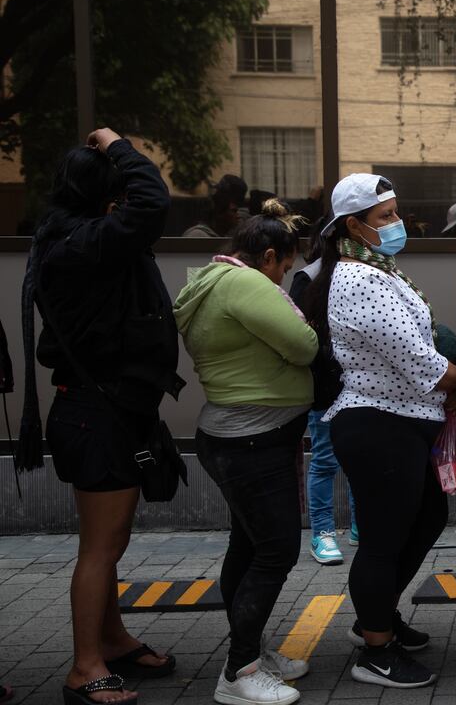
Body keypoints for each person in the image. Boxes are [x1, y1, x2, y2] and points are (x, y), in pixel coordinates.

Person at [19, 128, 182, 705]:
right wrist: (118, 143)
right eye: (115, 193)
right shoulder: (82, 245)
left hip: (107, 408)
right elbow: (153, 205)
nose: (123, 204)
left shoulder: (74, 239)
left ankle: (111, 639)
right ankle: (84, 667)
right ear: (100, 197)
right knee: (100, 547)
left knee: (110, 541)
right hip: (96, 412)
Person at [307, 174, 456, 688]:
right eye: (386, 217)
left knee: (425, 517)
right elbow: (414, 356)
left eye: (397, 213)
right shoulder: (356, 279)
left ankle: (377, 615)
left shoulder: (379, 268)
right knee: (382, 539)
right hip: (379, 421)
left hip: (404, 420)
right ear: (353, 225)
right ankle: (374, 649)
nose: (398, 224)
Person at [174, 199, 317, 704]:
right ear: (271, 255)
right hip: (250, 440)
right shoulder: (245, 283)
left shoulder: (210, 280)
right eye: (286, 268)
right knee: (277, 549)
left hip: (235, 434)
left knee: (248, 545)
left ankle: (251, 649)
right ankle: (238, 673)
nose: (285, 278)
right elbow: (303, 345)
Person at [290, 218, 358, 565]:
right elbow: (301, 334)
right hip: (326, 384)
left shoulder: (365, 270)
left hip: (361, 382)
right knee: (325, 459)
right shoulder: (309, 277)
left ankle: (360, 526)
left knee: (361, 458)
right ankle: (322, 533)